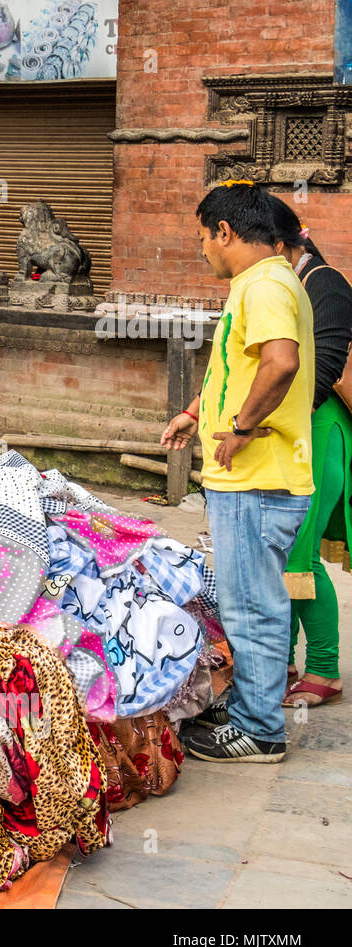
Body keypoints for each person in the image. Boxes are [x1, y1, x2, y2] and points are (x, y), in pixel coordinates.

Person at [160, 181, 315, 764]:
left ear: (225, 232)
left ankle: (259, 729)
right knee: (249, 602)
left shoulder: (268, 285)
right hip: (247, 478)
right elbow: (236, 365)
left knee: (254, 607)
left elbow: (281, 363)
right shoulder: (260, 283)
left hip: (259, 478)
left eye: (204, 238)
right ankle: (252, 710)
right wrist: (195, 413)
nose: (203, 250)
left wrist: (245, 426)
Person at [269, 198, 352, 707]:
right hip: (300, 426)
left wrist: (262, 421)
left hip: (318, 426)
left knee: (298, 553)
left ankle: (323, 668)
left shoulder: (325, 284)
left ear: (279, 245)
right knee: (284, 553)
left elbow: (322, 371)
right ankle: (284, 661)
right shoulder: (294, 283)